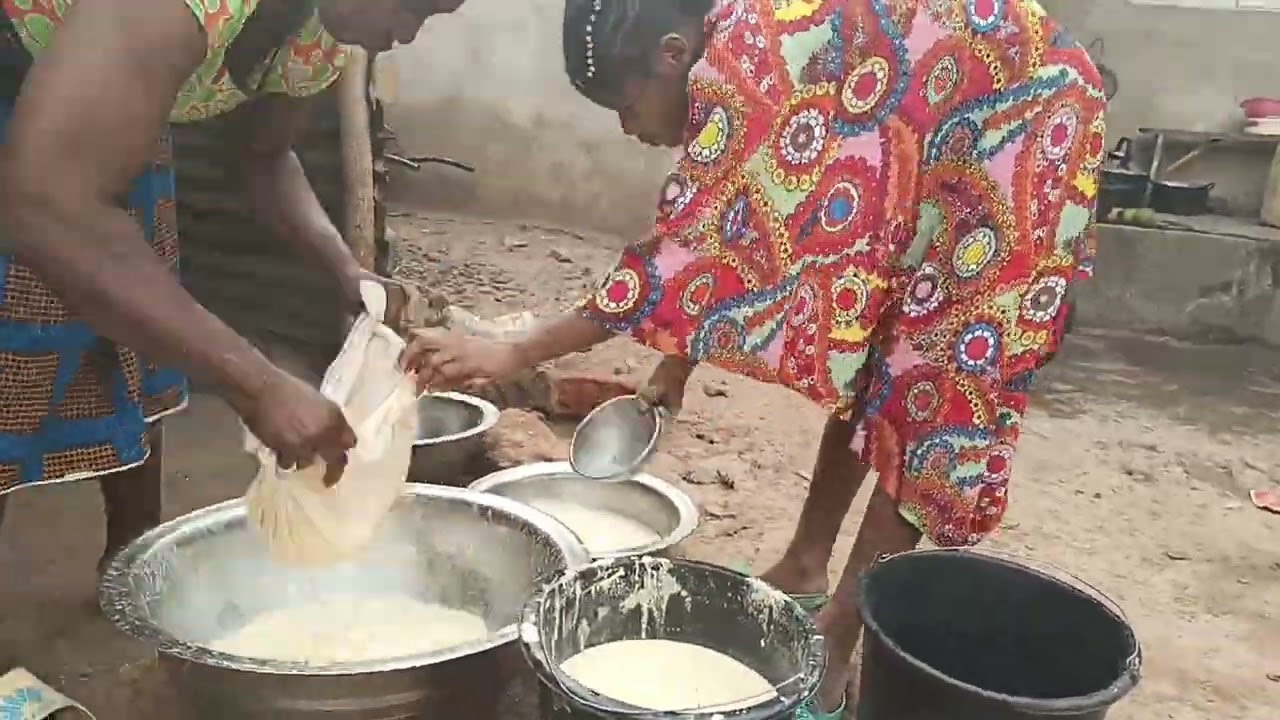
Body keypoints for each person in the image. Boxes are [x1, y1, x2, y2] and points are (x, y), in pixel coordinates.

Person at [402, 0, 1103, 715]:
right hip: (944, 117)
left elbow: (672, 266)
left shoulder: (745, 67)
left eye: (624, 102)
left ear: (672, 56)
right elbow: (735, 240)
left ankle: (836, 638)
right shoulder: (733, 52)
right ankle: (806, 562)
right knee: (875, 351)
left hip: (1025, 115)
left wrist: (507, 350)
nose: (627, 126)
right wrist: (674, 366)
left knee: (933, 387)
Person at [0, 0, 466, 572]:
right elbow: (45, 203)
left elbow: (263, 159)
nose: (408, 33)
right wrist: (257, 385)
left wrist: (344, 270)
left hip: (107, 141)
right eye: (413, 7)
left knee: (134, 347)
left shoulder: (314, 41)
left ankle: (132, 568)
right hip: (30, 140)